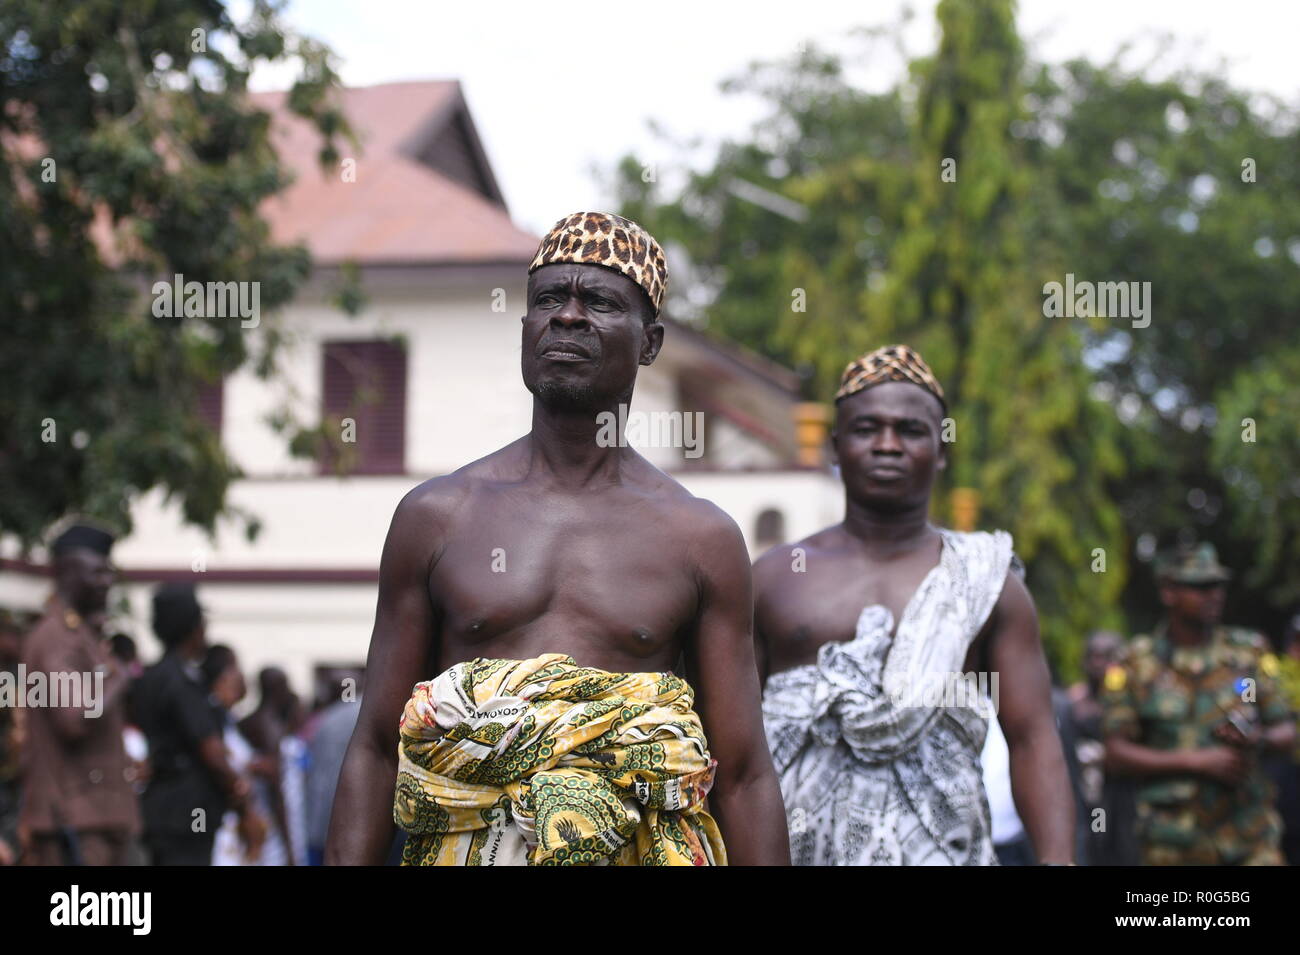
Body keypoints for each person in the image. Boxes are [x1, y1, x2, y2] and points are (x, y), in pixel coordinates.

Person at [327, 211, 788, 866]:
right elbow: (375, 744)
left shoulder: (699, 538)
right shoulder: (439, 517)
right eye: (548, 298)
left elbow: (743, 773)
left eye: (598, 301)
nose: (567, 317)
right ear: (525, 327)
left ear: (651, 341)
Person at [755, 345, 1075, 865]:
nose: (887, 445)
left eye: (910, 430)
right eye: (866, 429)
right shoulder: (775, 578)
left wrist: (1059, 861)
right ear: (835, 447)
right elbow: (733, 747)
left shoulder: (985, 580)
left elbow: (1034, 736)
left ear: (941, 448)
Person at [1101, 543, 1296, 865]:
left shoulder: (1249, 652)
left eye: (1218, 586)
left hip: (1249, 836)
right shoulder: (1135, 662)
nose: (1213, 596)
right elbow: (1116, 753)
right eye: (1200, 587)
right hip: (1171, 842)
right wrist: (1198, 762)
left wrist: (1256, 740)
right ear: (1169, 592)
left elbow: (1287, 731)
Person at [18, 524, 140, 865]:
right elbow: (75, 717)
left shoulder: (82, 636)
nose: (106, 581)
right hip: (76, 820)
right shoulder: (57, 637)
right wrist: (120, 677)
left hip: (98, 817)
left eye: (108, 572)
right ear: (68, 572)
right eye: (97, 572)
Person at [132, 582, 264, 865]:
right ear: (193, 627)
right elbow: (211, 751)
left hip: (161, 805)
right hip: (187, 810)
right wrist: (239, 790)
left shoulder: (150, 677)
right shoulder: (183, 682)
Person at [1064, 630, 1137, 865]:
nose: (1099, 664)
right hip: (1084, 796)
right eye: (1093, 656)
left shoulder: (1129, 703)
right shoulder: (1071, 703)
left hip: (1121, 797)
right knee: (1091, 845)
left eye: (1106, 657)